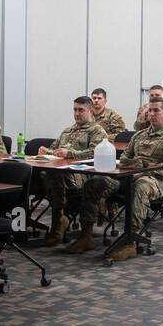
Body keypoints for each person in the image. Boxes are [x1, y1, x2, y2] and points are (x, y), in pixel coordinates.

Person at [65, 99, 163, 259]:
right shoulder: (139, 135)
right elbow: (123, 159)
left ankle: (130, 241)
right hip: (128, 176)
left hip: (157, 181)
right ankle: (86, 235)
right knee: (94, 183)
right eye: (149, 111)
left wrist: (143, 169)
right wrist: (142, 163)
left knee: (140, 186)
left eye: (156, 111)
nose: (151, 114)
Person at [43, 97, 107, 247]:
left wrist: (70, 153)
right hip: (60, 172)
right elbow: (54, 148)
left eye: (81, 110)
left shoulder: (97, 131)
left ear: (90, 111)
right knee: (36, 175)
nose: (76, 113)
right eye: (74, 110)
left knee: (54, 174)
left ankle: (58, 223)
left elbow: (94, 153)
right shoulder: (67, 130)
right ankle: (18, 228)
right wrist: (46, 151)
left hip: (83, 175)